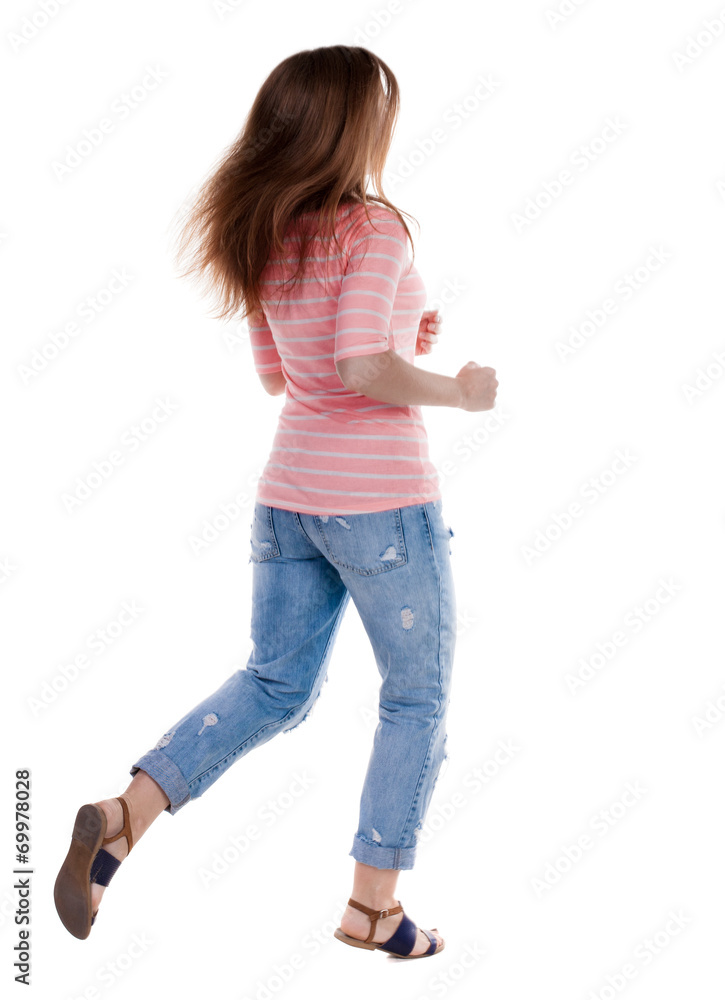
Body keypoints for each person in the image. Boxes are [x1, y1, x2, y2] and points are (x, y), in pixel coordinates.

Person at [54, 44, 498, 960]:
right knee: (415, 698)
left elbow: (281, 373)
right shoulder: (373, 230)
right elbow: (357, 369)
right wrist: (455, 387)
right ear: (349, 125)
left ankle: (124, 815)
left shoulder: (264, 226)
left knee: (274, 685)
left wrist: (402, 333)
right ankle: (372, 909)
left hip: (289, 499)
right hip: (378, 506)